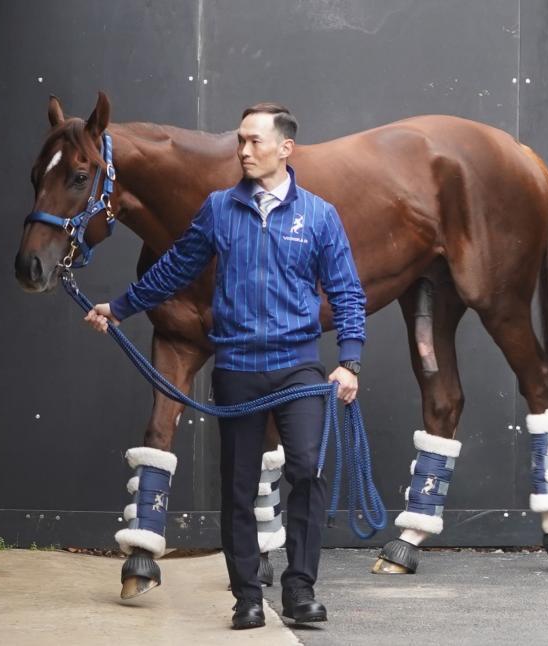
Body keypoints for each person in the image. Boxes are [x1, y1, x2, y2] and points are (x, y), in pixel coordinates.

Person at [85, 103, 366, 629]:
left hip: (298, 369)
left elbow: (349, 292)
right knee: (237, 485)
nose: (243, 150)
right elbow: (175, 266)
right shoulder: (218, 209)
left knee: (307, 470)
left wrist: (349, 360)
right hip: (237, 367)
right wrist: (119, 308)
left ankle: (300, 588)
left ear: (285, 148)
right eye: (240, 140)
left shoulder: (320, 216)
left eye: (255, 141)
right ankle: (247, 598)